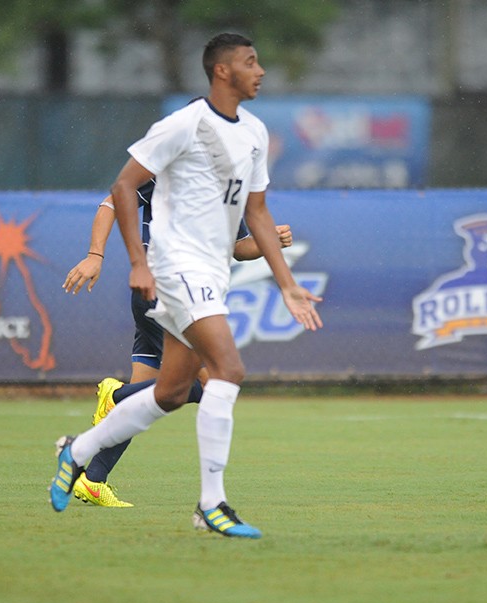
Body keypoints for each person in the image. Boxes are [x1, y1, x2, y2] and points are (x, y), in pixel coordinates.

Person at [48, 32, 323, 539]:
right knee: (227, 370)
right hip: (174, 269)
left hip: (210, 274)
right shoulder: (184, 125)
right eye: (250, 61)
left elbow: (257, 215)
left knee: (172, 393)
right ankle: (211, 505)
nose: (260, 70)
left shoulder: (255, 133)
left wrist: (286, 283)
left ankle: (78, 452)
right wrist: (136, 262)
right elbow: (121, 187)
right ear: (222, 71)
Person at [61, 180, 294, 508]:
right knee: (215, 384)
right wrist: (94, 255)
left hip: (171, 295)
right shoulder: (169, 169)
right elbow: (111, 203)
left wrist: (269, 241)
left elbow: (240, 247)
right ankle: (116, 396)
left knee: (142, 402)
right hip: (167, 292)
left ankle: (94, 478)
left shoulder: (226, 183)